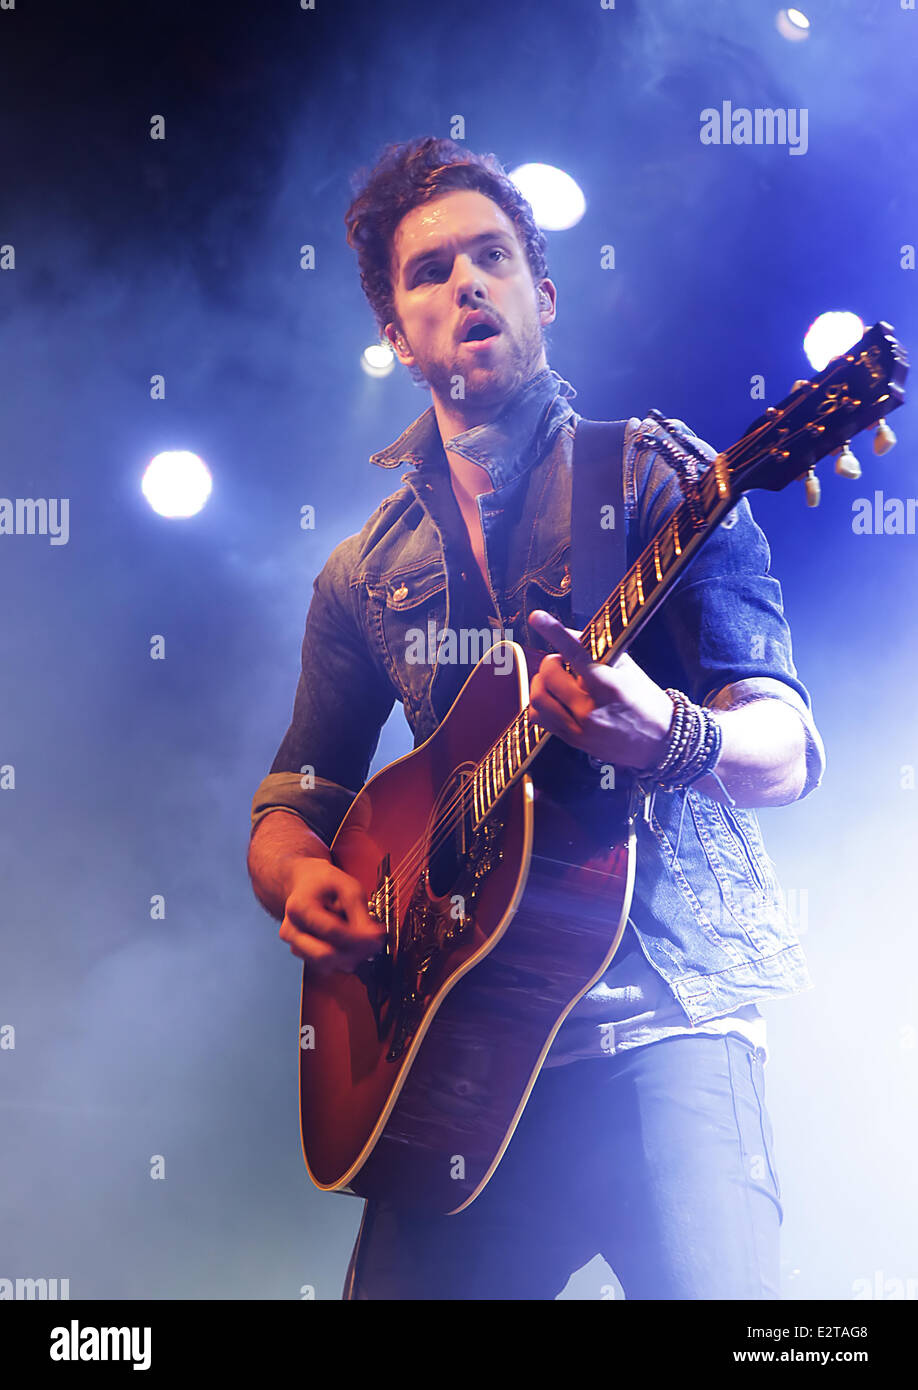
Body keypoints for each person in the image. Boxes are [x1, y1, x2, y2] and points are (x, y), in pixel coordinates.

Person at [247, 136, 825, 1300]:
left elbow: (787, 749)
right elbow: (292, 804)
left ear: (542, 296)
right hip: (458, 1059)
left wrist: (672, 735)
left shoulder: (658, 479)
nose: (466, 283)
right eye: (430, 271)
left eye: (493, 257)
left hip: (666, 1023)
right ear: (395, 333)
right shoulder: (362, 574)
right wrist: (300, 880)